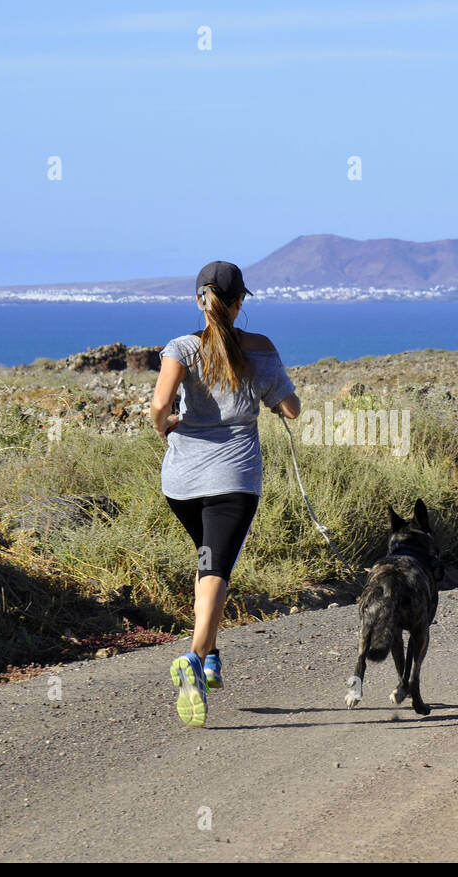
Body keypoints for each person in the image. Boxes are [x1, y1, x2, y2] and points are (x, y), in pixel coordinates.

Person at [151, 260, 302, 728]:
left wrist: (167, 425)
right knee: (217, 565)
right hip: (233, 479)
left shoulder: (180, 348)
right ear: (240, 303)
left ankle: (212, 656)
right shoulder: (262, 349)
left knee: (206, 560)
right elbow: (292, 410)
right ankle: (194, 658)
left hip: (181, 482)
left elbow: (158, 406)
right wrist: (274, 398)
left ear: (200, 299)